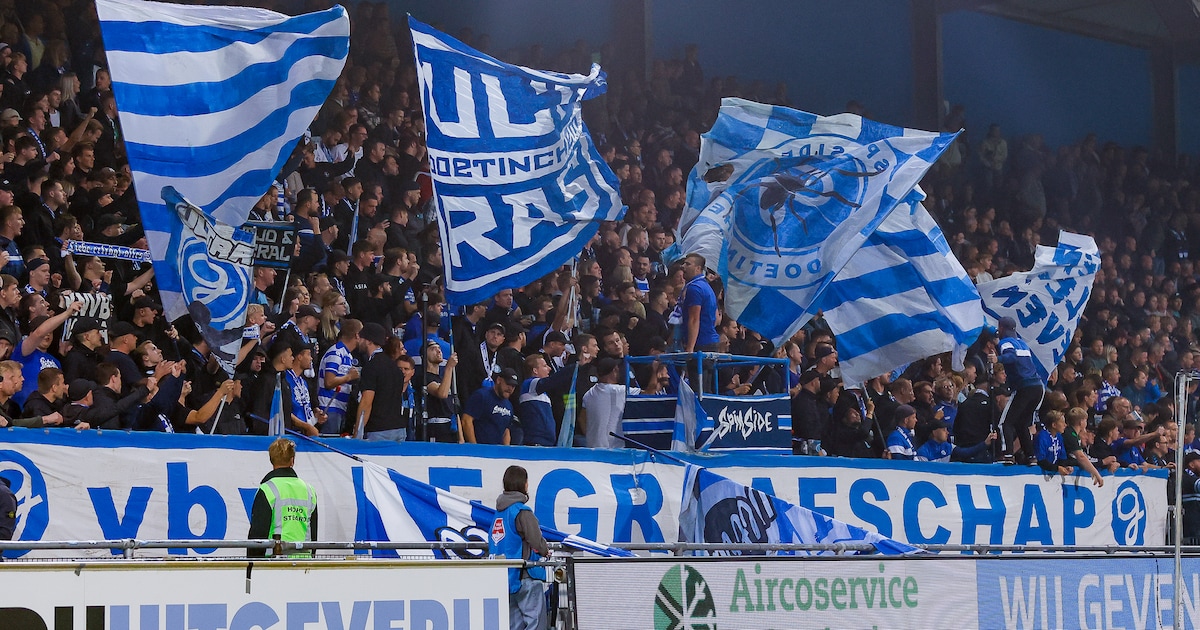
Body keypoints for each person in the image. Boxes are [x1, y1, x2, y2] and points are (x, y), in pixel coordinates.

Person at [490, 465, 550, 630]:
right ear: (524, 484)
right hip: (526, 575)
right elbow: (536, 541)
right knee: (535, 624)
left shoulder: (499, 514)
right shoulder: (522, 512)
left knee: (513, 626)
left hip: (507, 578)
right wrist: (546, 551)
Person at [247, 437, 317, 558]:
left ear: (271, 460)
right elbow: (313, 533)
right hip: (304, 563)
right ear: (292, 460)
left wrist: (252, 567)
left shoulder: (267, 489)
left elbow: (258, 534)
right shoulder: (309, 490)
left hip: (274, 562)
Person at [996, 316, 1044, 464]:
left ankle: (1007, 455)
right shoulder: (1023, 344)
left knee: (1005, 423)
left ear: (1002, 328)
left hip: (1024, 387)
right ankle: (1030, 456)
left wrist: (997, 359)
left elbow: (1011, 357)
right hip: (1038, 387)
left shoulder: (1005, 343)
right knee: (1022, 423)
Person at [462, 367, 519, 445]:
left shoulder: (509, 405)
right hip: (480, 449)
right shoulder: (482, 396)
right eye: (508, 384)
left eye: (513, 386)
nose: (510, 388)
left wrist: (506, 450)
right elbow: (466, 420)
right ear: (499, 380)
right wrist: (474, 447)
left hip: (497, 453)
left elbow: (506, 431)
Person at [916, 420, 996, 463]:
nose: (947, 432)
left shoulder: (948, 446)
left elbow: (966, 452)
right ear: (934, 432)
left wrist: (985, 443)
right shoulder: (923, 452)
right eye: (944, 430)